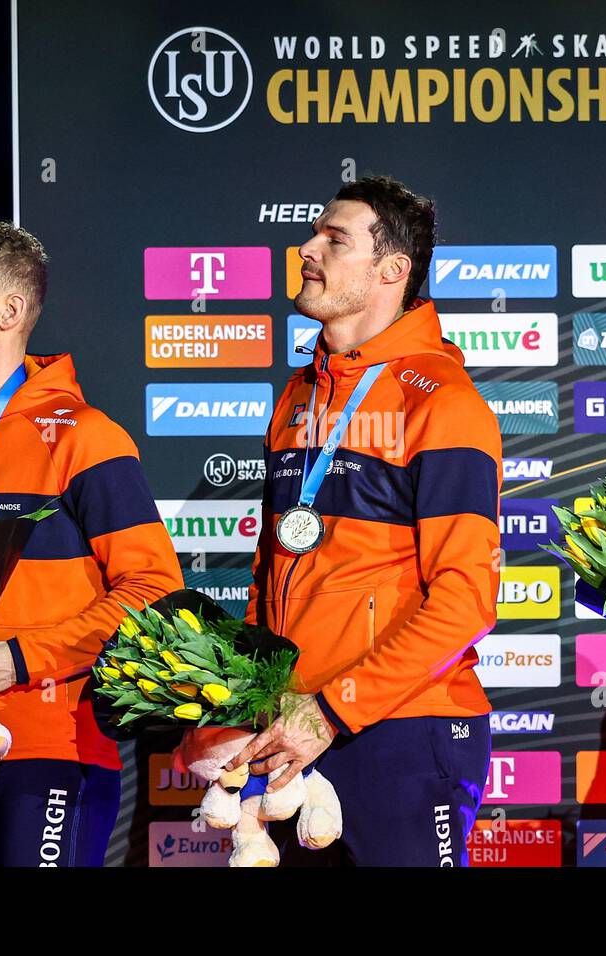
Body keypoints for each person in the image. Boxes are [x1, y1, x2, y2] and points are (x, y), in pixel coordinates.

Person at [0, 220, 182, 865]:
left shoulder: (86, 438)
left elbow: (155, 592)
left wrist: (15, 660)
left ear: (10, 310)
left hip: (52, 744)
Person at [225, 176, 502, 866]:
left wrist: (335, 709)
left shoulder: (444, 404)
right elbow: (274, 572)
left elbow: (466, 599)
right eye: (313, 233)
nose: (306, 248)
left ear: (392, 270)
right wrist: (256, 698)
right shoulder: (298, 396)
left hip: (403, 728)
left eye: (333, 238)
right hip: (296, 729)